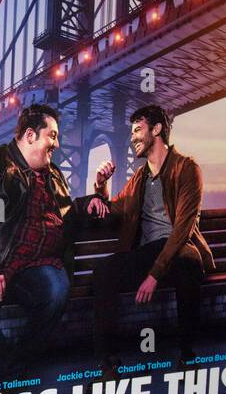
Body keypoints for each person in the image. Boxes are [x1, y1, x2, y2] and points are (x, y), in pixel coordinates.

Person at [0, 103, 107, 385]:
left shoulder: (54, 175)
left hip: (34, 267)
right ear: (30, 135)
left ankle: (9, 373)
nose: (57, 143)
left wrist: (91, 201)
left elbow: (65, 215)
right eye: (52, 135)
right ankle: (12, 375)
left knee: (57, 290)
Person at [91, 104, 214, 373]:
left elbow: (183, 227)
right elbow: (115, 210)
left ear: (156, 130)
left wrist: (154, 274)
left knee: (188, 264)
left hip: (177, 251)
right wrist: (101, 186)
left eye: (138, 130)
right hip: (147, 255)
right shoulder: (139, 178)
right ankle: (109, 362)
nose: (132, 137)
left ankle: (187, 355)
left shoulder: (186, 169)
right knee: (103, 272)